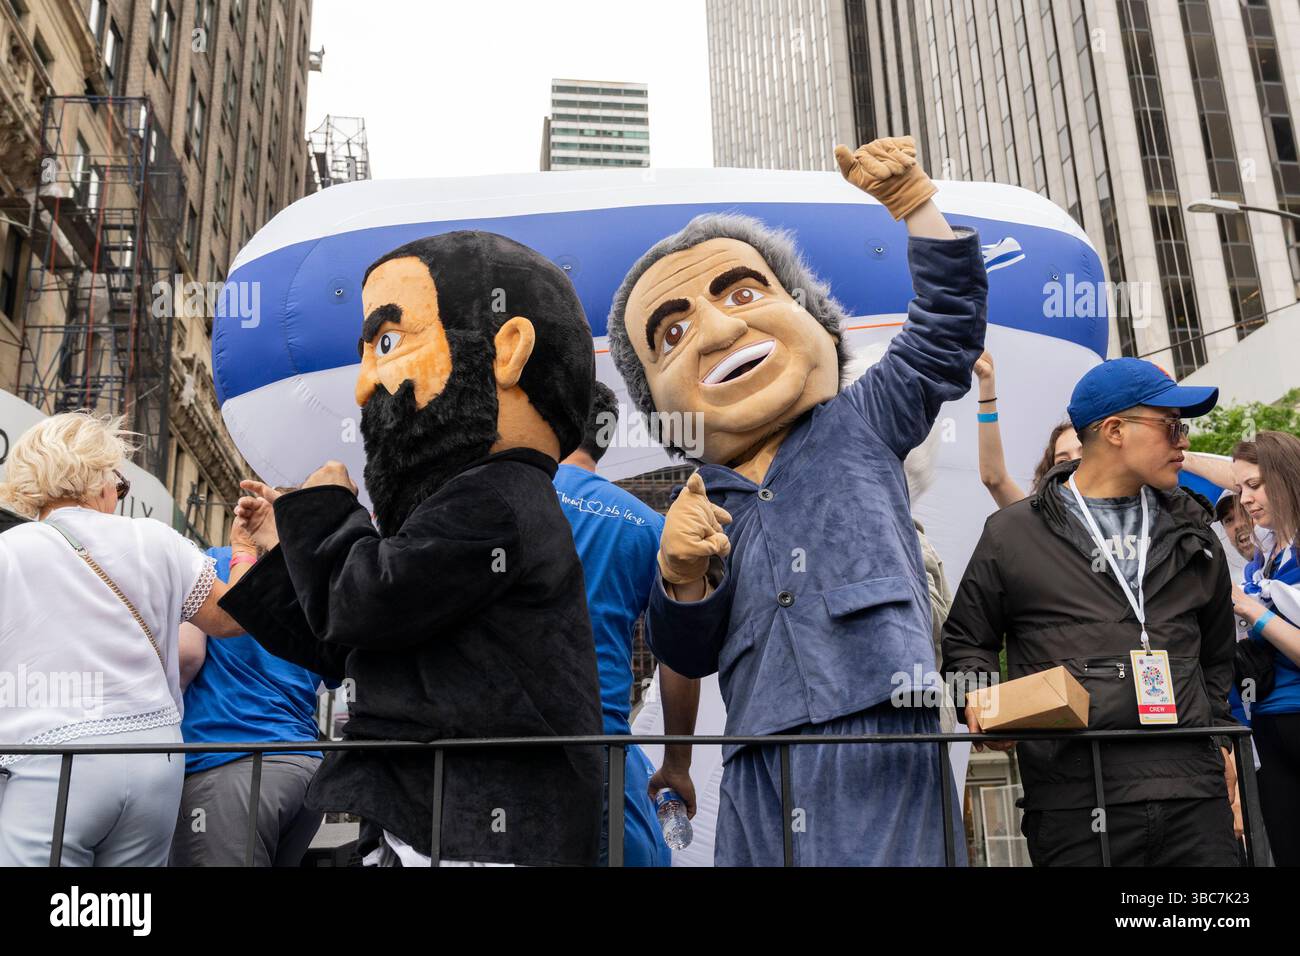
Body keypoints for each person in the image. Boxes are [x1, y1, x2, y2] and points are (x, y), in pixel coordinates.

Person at [605, 135, 986, 865]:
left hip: (879, 721)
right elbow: (688, 654)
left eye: (743, 293)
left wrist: (915, 205)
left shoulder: (864, 418)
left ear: (809, 313)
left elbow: (946, 330)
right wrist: (681, 580)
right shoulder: (698, 496)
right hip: (759, 748)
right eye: (673, 333)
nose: (719, 330)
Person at [218, 231, 604, 867]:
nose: (365, 386)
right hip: (430, 817)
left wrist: (328, 506)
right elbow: (347, 644)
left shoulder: (499, 496)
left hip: (480, 829)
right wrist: (285, 544)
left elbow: (370, 603)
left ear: (507, 351)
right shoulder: (476, 500)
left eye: (389, 343)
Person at [943, 358, 1241, 867]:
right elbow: (966, 642)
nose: (1183, 441)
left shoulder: (1196, 532)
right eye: (1171, 426)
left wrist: (1213, 732)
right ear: (1115, 430)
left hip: (1194, 794)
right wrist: (981, 705)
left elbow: (1217, 653)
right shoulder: (1013, 534)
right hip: (1075, 799)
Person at [0, 412, 252, 866]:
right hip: (154, 757)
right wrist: (247, 551)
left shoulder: (10, 552)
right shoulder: (155, 539)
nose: (118, 494)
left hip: (51, 763)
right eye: (119, 482)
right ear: (98, 479)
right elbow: (236, 616)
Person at [553, 382, 688, 866]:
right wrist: (677, 762)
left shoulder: (501, 500)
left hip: (498, 745)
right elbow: (678, 653)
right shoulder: (649, 526)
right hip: (602, 743)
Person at [171, 506, 333, 868]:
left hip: (230, 761)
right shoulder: (315, 583)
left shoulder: (212, 564)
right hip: (304, 768)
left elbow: (186, 656)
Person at [1227, 431, 1300, 866]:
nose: (1246, 500)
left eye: (1255, 485)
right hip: (1266, 727)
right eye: (1239, 489)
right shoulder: (1265, 555)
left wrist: (1250, 609)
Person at [972, 350, 1080, 508]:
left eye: (1085, 453)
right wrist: (986, 382)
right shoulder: (1044, 520)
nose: (1075, 464)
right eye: (1062, 461)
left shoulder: (1129, 506)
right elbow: (995, 479)